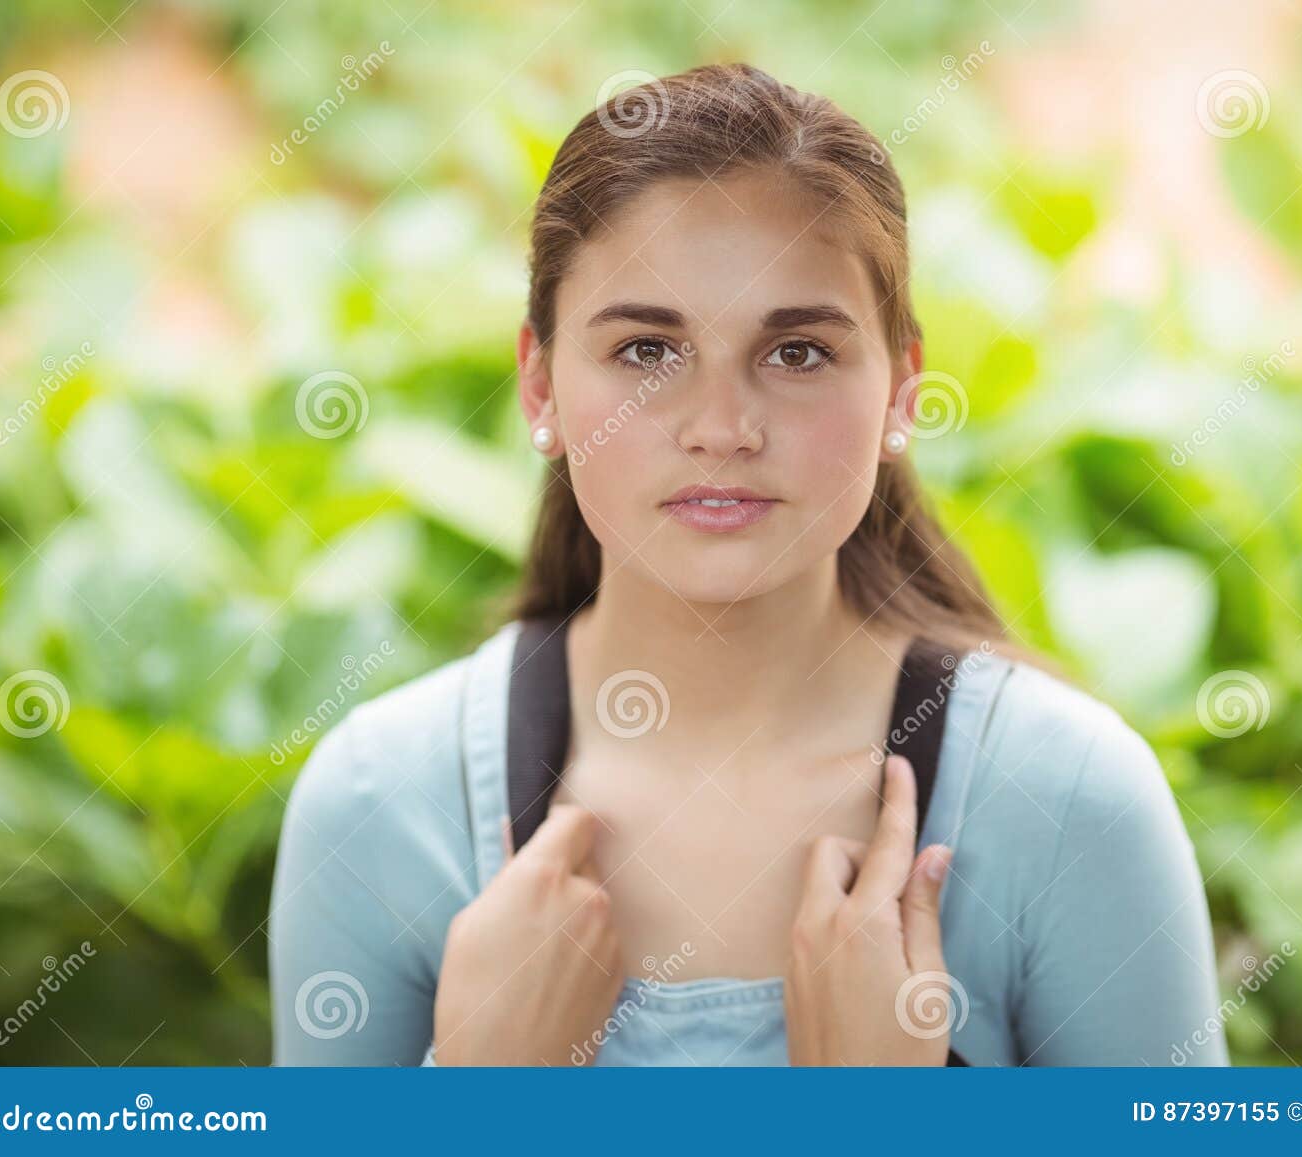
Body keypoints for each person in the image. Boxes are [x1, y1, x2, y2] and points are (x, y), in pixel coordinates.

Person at [269, 63, 1227, 1067]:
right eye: (647, 350)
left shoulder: (1069, 798)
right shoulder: (378, 803)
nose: (722, 428)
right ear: (541, 384)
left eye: (797, 353)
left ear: (902, 389)